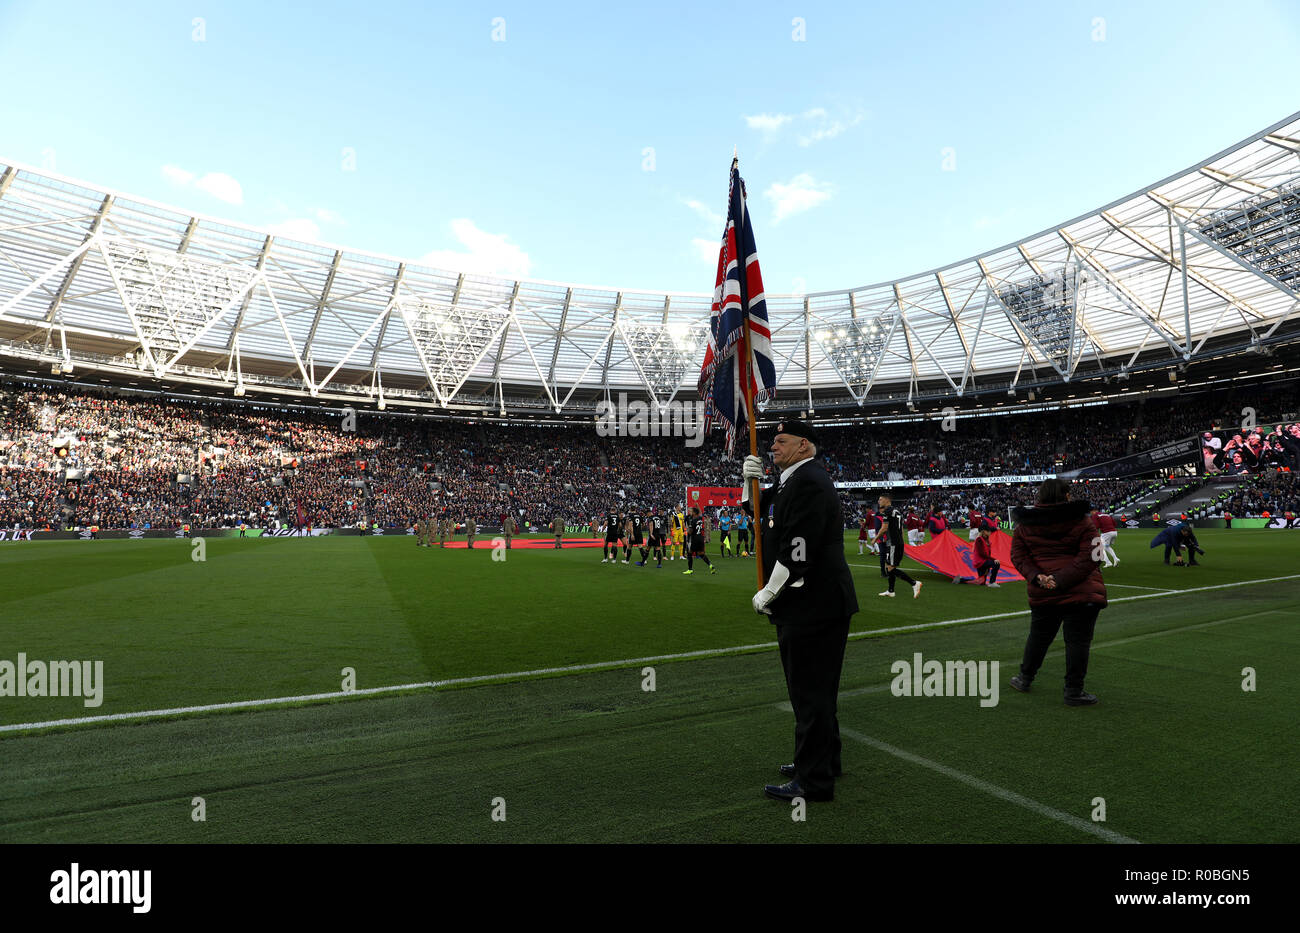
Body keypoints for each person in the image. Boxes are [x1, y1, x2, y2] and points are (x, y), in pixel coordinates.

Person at [742, 420, 859, 803]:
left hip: (813, 604)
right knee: (816, 691)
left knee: (810, 693)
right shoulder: (795, 479)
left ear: (804, 445)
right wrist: (749, 481)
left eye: (780, 441)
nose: (772, 447)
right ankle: (823, 760)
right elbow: (760, 513)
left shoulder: (808, 481)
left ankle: (813, 781)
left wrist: (769, 592)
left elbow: (797, 549)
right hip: (813, 603)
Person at [1008, 478, 1108, 706]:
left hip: (1043, 592)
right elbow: (1093, 556)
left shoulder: (1025, 524)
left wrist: (1038, 577)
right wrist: (1060, 579)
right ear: (1066, 496)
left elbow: (1018, 556)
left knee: (1039, 637)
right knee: (1078, 642)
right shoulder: (1082, 521)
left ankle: (1024, 678)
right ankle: (1073, 691)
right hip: (1081, 591)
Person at [877, 495, 922, 598]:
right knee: (889, 567)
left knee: (891, 569)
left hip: (893, 543)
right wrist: (901, 541)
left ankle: (914, 583)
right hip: (897, 542)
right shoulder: (897, 512)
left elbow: (884, 528)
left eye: (880, 499)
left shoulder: (887, 511)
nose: (879, 501)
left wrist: (875, 539)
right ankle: (891, 591)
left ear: (887, 500)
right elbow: (901, 529)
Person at [682, 507, 716, 575]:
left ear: (694, 513)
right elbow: (700, 513)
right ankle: (710, 565)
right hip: (701, 538)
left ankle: (690, 570)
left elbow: (691, 531)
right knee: (701, 554)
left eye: (692, 511)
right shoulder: (700, 519)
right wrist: (697, 506)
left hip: (695, 539)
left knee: (689, 553)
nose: (690, 512)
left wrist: (687, 532)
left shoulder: (693, 520)